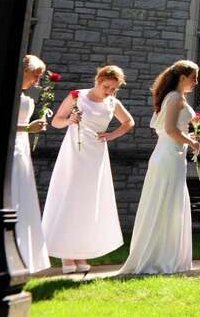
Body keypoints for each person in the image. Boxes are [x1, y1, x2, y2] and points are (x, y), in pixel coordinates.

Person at [43, 65, 134, 274]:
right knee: (70, 199)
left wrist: (111, 136)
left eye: (114, 89)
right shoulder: (77, 96)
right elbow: (55, 121)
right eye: (107, 87)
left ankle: (80, 252)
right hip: (74, 154)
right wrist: (69, 121)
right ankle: (66, 255)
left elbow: (129, 122)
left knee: (87, 202)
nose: (109, 92)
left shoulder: (113, 102)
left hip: (96, 157)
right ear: (98, 79)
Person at [120, 60, 200, 275]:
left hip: (172, 154)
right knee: (165, 203)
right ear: (182, 77)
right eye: (194, 77)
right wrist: (192, 142)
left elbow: (173, 130)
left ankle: (168, 255)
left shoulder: (176, 98)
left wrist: (188, 138)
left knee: (171, 204)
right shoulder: (174, 97)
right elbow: (170, 129)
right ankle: (158, 258)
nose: (196, 81)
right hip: (168, 155)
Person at [13, 55, 50, 273]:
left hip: (22, 150)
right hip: (13, 149)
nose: (37, 80)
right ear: (23, 70)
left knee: (23, 196)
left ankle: (24, 253)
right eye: (35, 75)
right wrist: (27, 128)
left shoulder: (26, 96)